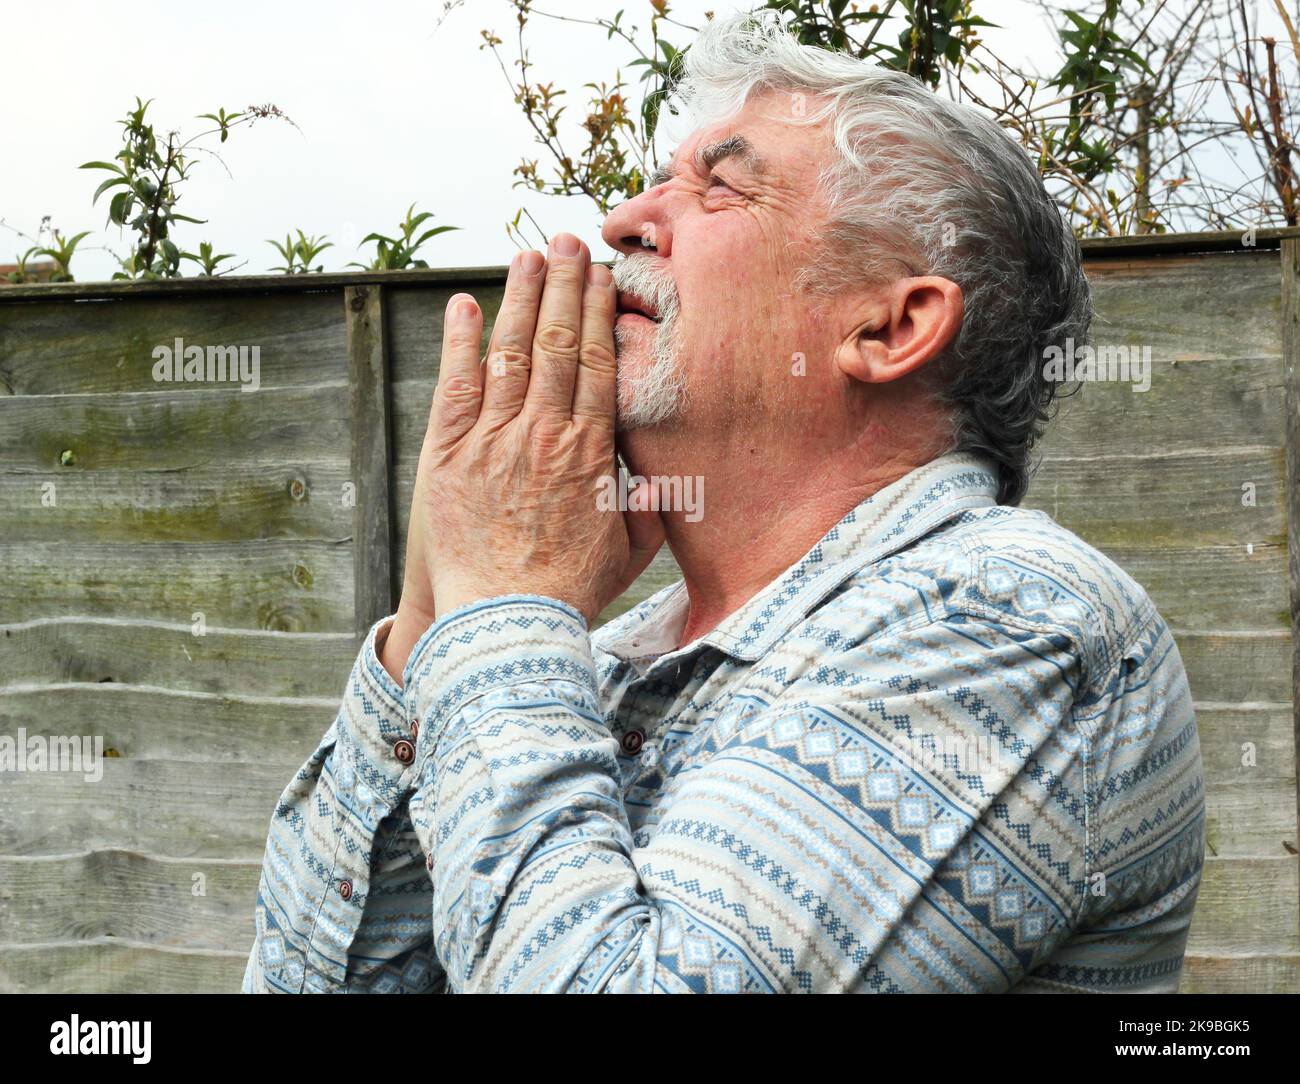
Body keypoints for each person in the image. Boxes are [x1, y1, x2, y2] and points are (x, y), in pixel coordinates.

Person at [242, 14, 1205, 994]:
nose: (624, 221)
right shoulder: (603, 667)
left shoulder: (1006, 616)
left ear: (890, 324)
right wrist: (433, 617)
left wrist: (502, 604)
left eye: (719, 186)